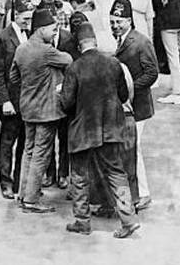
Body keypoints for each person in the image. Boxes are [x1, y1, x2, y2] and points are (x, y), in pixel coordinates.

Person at [59, 13, 140, 240]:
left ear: (78, 44)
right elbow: (123, 94)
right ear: (95, 41)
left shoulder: (74, 68)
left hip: (84, 129)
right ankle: (128, 219)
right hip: (111, 127)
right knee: (116, 172)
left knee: (80, 175)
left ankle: (82, 222)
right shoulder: (113, 63)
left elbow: (67, 103)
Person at [8, 4, 71, 213]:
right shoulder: (46, 51)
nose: (55, 32)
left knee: (28, 151)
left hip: (28, 109)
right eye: (52, 29)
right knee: (41, 154)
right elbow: (68, 60)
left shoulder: (21, 49)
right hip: (46, 111)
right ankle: (32, 200)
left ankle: (22, 192)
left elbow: (13, 78)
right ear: (40, 29)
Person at [111, 0, 158, 212]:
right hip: (126, 106)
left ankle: (143, 193)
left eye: (119, 21)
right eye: (112, 21)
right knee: (128, 150)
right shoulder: (119, 40)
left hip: (138, 106)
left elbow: (152, 73)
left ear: (129, 20)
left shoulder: (141, 42)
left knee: (134, 150)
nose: (115, 26)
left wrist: (128, 88)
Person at [0, 0, 34, 199]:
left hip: (27, 101)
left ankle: (18, 181)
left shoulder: (30, 36)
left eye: (30, 17)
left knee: (25, 143)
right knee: (7, 143)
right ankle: (5, 182)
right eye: (25, 18)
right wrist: (4, 101)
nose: (28, 21)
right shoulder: (2, 38)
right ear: (15, 15)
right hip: (10, 102)